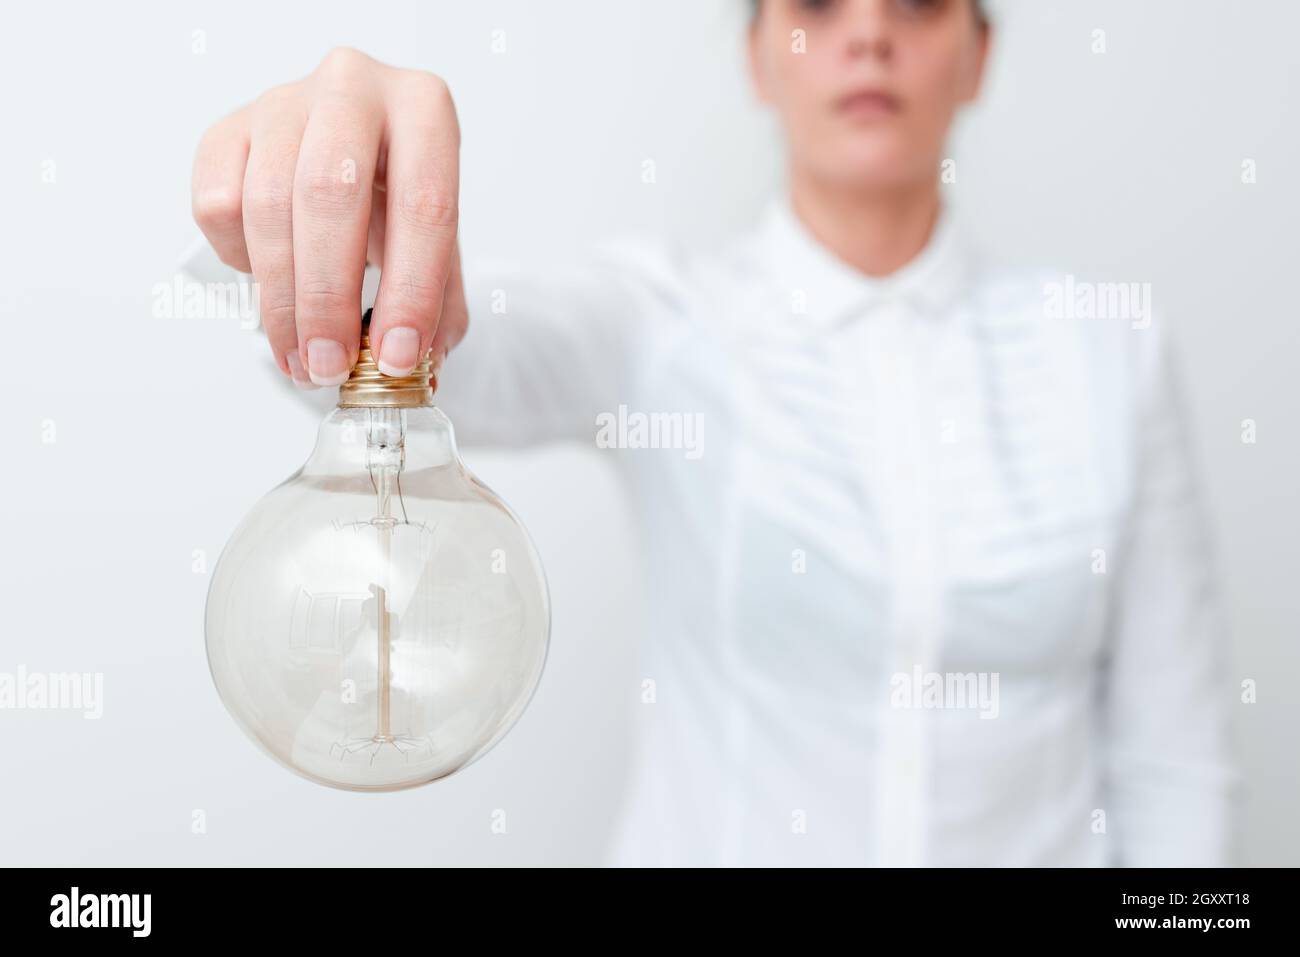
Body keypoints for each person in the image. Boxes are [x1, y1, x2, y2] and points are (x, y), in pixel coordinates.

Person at [187, 0, 1236, 865]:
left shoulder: (1107, 351)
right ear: (756, 58)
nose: (867, 35)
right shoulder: (660, 324)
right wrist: (319, 215)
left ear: (978, 56)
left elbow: (1173, 762)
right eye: (817, 8)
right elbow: (449, 352)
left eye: (917, 5)